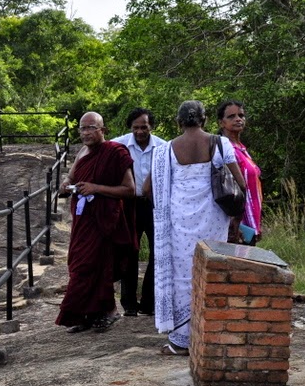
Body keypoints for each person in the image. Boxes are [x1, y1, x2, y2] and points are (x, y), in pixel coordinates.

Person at [147, 101, 246, 355]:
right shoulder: (220, 143)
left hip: (179, 222)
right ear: (203, 120)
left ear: (178, 122)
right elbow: (240, 183)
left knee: (183, 275)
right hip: (213, 219)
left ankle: (181, 341)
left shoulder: (165, 149)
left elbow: (147, 189)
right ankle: (212, 335)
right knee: (211, 270)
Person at [56, 111, 137, 333]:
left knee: (98, 266)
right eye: (82, 128)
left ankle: (110, 312)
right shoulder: (83, 152)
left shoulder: (115, 152)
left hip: (104, 220)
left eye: (91, 127)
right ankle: (87, 315)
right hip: (83, 221)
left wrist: (96, 188)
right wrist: (65, 184)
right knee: (78, 265)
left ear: (103, 129)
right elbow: (71, 177)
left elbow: (130, 190)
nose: (86, 132)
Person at [111, 107, 166, 316]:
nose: (140, 131)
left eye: (144, 127)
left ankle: (149, 302)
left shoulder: (162, 146)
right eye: (136, 127)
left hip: (154, 204)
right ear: (130, 128)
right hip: (129, 204)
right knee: (128, 251)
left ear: (151, 126)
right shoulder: (119, 144)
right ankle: (129, 304)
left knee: (156, 252)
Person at [217, 100, 262, 244]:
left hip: (250, 217)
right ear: (221, 123)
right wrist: (234, 219)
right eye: (231, 116)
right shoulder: (224, 148)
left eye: (241, 115)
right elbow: (224, 186)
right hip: (236, 221)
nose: (238, 119)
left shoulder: (241, 148)